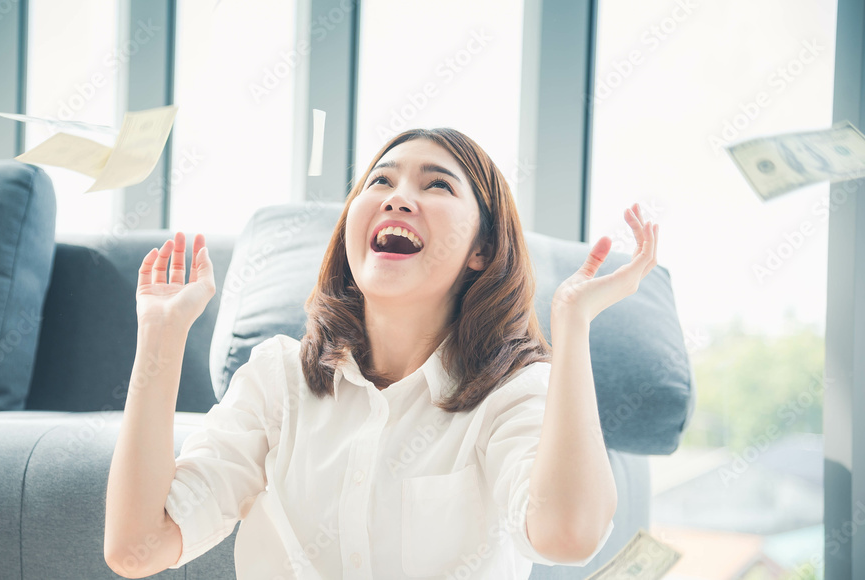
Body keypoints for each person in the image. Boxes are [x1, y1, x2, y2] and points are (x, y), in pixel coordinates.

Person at [104, 128, 660, 579]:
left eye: (437, 186)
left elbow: (567, 536)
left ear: (482, 249)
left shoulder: (513, 392)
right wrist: (161, 335)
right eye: (381, 181)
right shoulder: (278, 378)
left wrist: (574, 324)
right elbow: (137, 549)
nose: (398, 196)